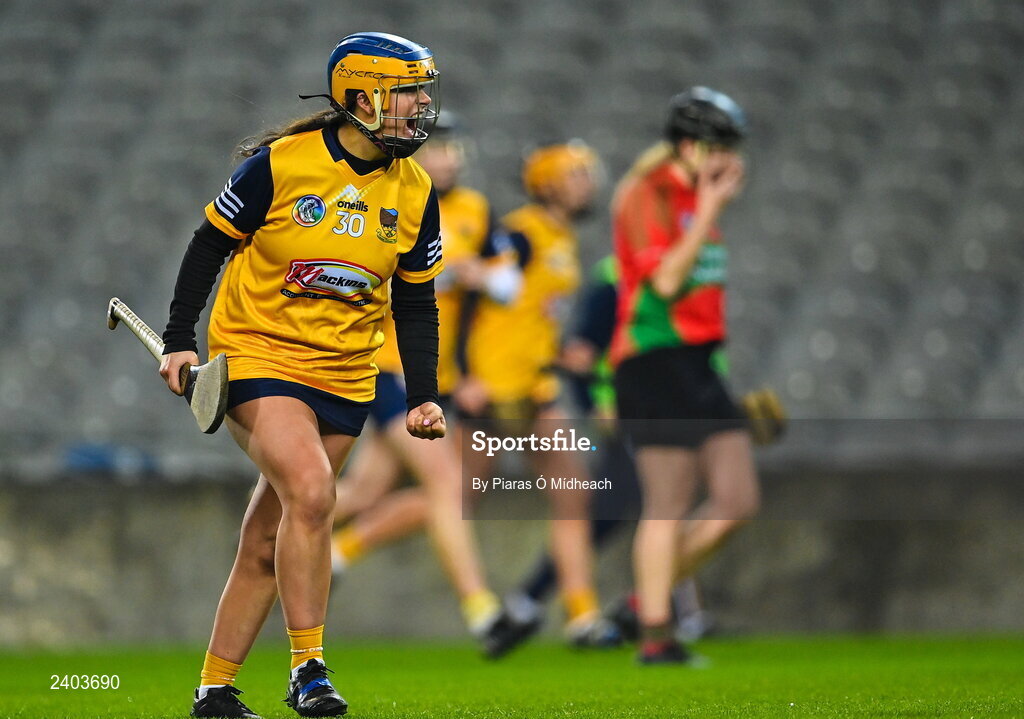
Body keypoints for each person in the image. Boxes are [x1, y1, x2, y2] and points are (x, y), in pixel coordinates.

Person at [159, 32, 445, 718]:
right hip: (257, 355)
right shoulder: (280, 165)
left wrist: (423, 395)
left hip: (346, 375)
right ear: (361, 98)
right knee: (313, 492)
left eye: (422, 90)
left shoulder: (416, 190)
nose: (421, 104)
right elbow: (208, 245)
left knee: (270, 535)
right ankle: (308, 669)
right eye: (407, 91)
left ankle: (214, 691)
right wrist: (178, 340)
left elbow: (415, 302)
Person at [328, 111, 522, 655]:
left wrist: (478, 274)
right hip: (388, 366)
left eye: (452, 148)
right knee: (446, 485)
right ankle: (483, 611)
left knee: (367, 491)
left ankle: (293, 533)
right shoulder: (391, 198)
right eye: (437, 147)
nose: (447, 157)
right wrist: (448, 274)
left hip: (439, 377)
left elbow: (510, 285)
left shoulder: (475, 209)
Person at [610, 87, 761, 665]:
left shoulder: (695, 197)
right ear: (688, 145)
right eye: (719, 146)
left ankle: (641, 601)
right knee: (668, 504)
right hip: (653, 360)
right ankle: (655, 636)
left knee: (737, 501)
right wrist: (712, 209)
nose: (729, 160)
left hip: (698, 362)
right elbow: (668, 282)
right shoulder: (647, 193)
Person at [457, 141, 618, 652]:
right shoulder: (520, 233)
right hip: (492, 387)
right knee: (453, 501)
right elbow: (467, 299)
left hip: (535, 387)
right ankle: (344, 544)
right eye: (575, 175)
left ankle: (582, 616)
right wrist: (466, 374)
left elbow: (532, 313)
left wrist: (558, 355)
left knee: (574, 493)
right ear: (546, 183)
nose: (586, 184)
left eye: (586, 174)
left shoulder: (560, 236)